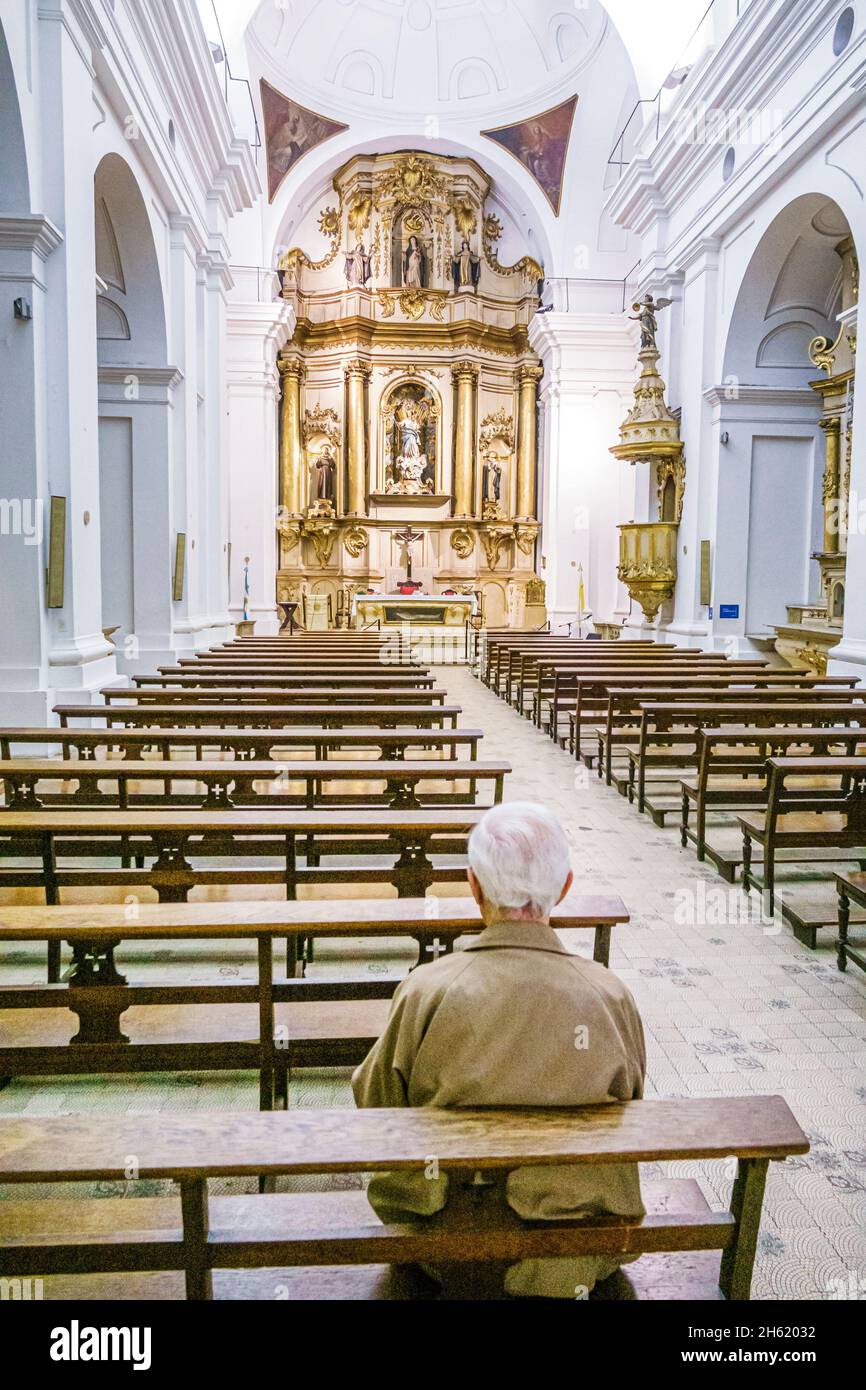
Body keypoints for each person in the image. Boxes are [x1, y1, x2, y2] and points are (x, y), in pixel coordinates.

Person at [352, 801, 646, 1299]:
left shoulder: (427, 990)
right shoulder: (609, 995)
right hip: (575, 1253)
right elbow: (632, 1104)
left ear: (473, 886)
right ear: (565, 887)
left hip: (445, 1250)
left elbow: (376, 1105)